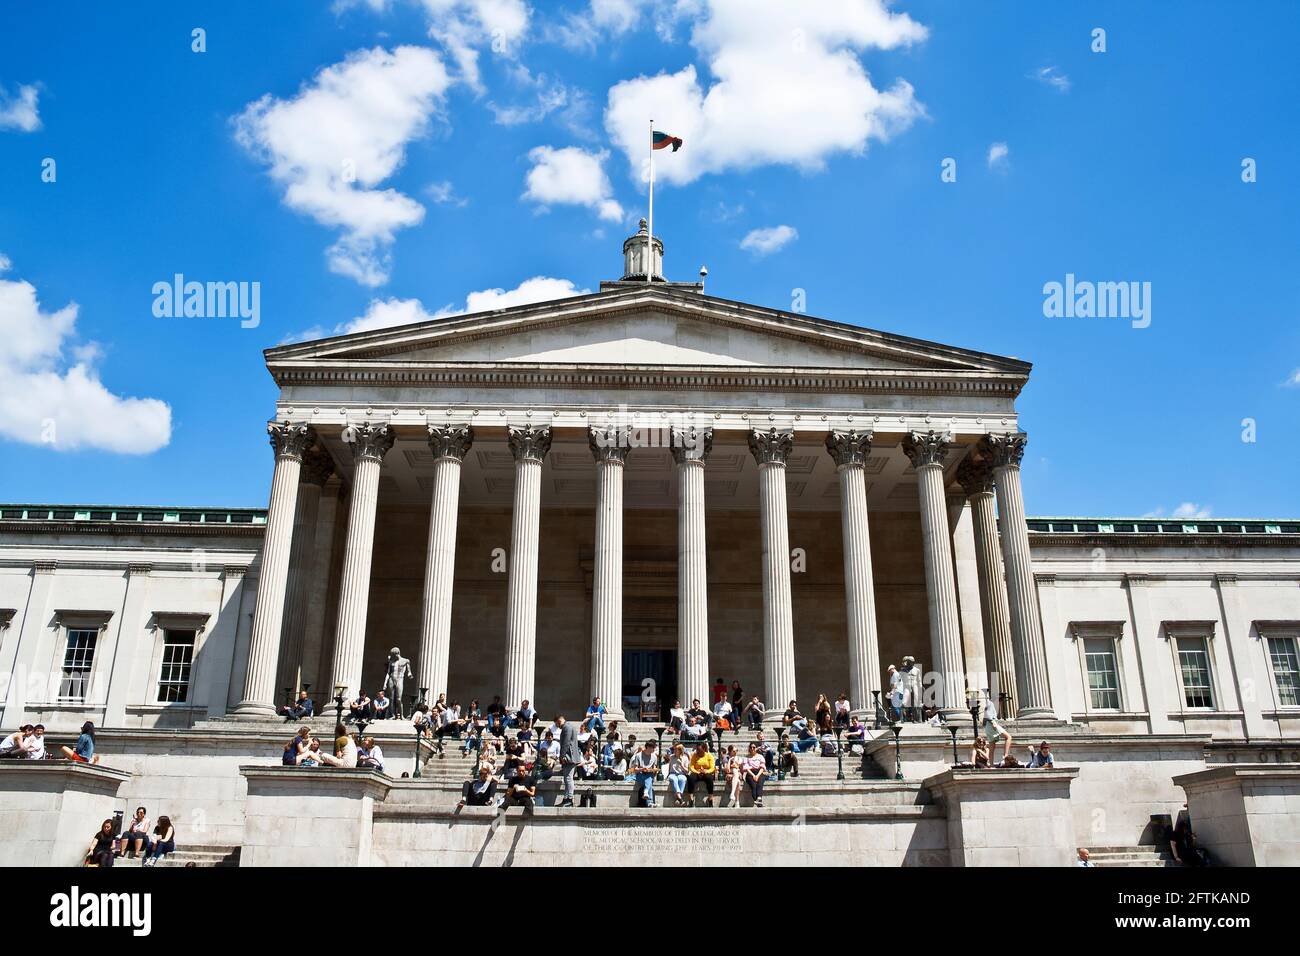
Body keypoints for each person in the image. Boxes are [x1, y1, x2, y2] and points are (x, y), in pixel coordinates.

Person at [556, 714, 581, 807]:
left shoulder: (566, 727)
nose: (557, 727)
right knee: (567, 779)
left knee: (568, 779)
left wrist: (562, 756)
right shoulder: (569, 726)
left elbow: (566, 743)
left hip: (569, 757)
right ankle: (566, 798)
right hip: (570, 757)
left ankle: (570, 799)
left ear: (559, 721)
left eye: (557, 724)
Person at [981, 697, 1013, 764]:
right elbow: (987, 714)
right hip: (991, 724)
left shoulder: (989, 703)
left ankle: (991, 763)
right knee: (1008, 737)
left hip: (987, 726)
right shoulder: (990, 703)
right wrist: (993, 722)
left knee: (992, 745)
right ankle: (1005, 755)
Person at [631, 740, 658, 807]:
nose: (654, 750)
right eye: (653, 748)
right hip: (640, 775)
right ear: (648, 747)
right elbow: (635, 769)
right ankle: (650, 801)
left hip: (649, 774)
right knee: (649, 781)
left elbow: (654, 768)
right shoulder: (638, 755)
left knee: (649, 777)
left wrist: (652, 770)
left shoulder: (654, 756)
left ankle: (647, 797)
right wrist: (642, 769)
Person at [742, 742, 767, 807]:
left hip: (759, 772)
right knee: (753, 785)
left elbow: (762, 767)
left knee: (760, 783)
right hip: (750, 773)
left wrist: (757, 775)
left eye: (754, 747)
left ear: (756, 748)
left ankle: (758, 799)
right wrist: (753, 775)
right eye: (751, 747)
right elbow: (746, 768)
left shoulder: (760, 756)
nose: (752, 749)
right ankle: (758, 801)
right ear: (749, 748)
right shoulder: (746, 757)